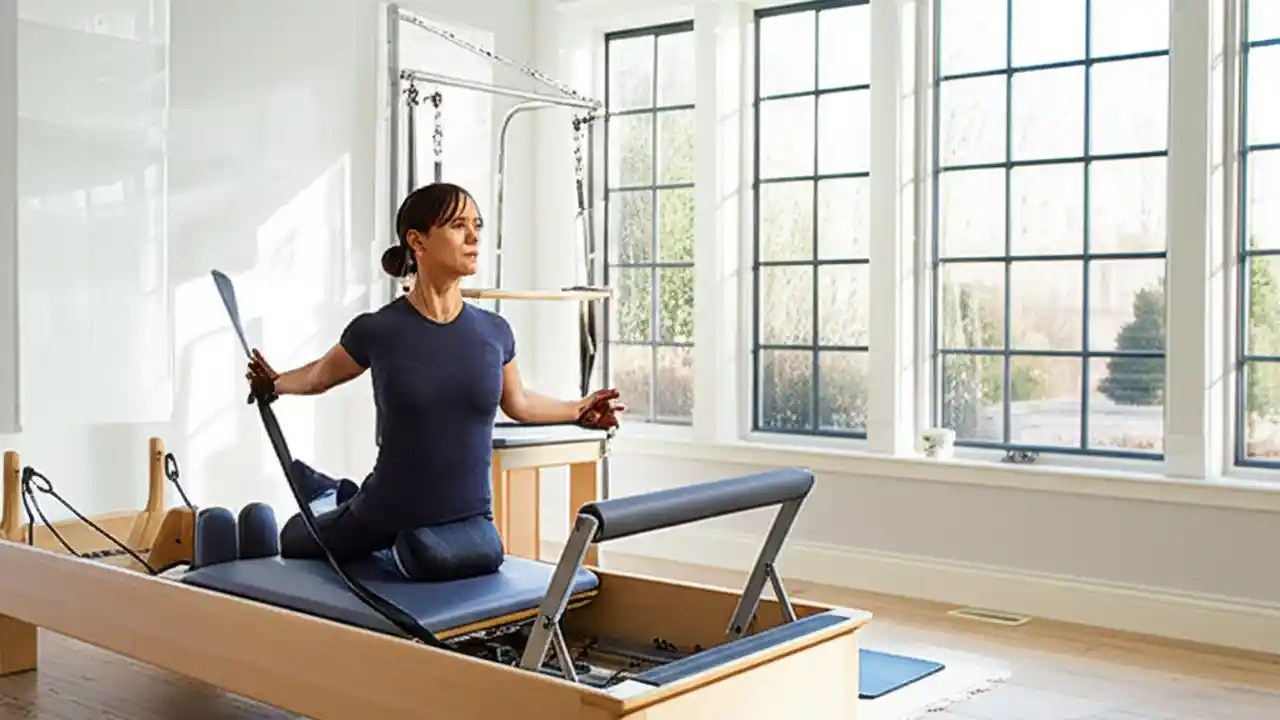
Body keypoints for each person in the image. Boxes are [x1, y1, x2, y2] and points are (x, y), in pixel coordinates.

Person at [244, 182, 623, 580]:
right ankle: (329, 496)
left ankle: (341, 497)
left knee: (451, 555)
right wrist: (274, 383)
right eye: (459, 225)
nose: (474, 236)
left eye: (477, 224)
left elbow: (520, 403)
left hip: (469, 515)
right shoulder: (379, 330)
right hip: (383, 510)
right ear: (417, 240)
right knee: (294, 541)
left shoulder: (494, 332)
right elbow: (319, 376)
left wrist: (581, 409)